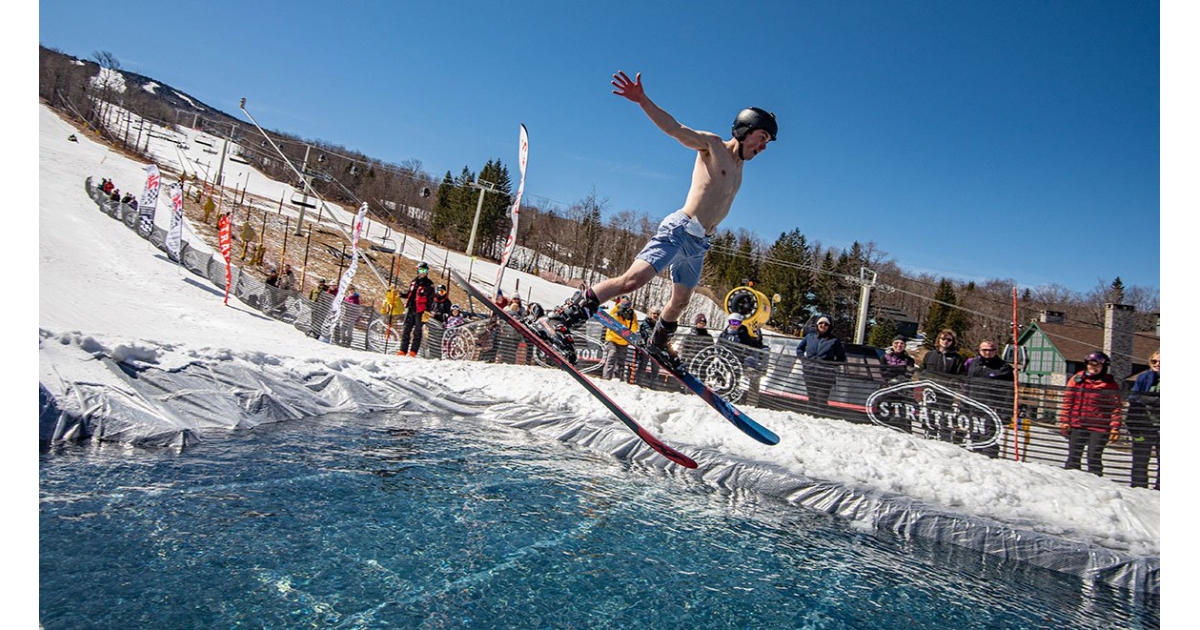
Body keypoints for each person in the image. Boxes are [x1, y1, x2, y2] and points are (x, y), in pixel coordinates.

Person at [532, 70, 777, 366]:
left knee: (681, 301)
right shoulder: (712, 146)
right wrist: (642, 100)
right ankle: (560, 318)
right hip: (679, 230)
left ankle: (658, 340)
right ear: (744, 128)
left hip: (700, 244)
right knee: (632, 281)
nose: (763, 147)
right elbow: (675, 129)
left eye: (767, 143)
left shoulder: (740, 168)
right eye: (762, 138)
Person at [1058, 350, 1122, 477]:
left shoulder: (1109, 384)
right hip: (1078, 423)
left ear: (1103, 367)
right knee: (1074, 456)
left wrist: (1115, 427)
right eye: (1091, 364)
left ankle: (1096, 484)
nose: (1094, 368)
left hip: (1099, 426)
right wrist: (1065, 421)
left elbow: (1115, 407)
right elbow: (1068, 401)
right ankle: (1071, 483)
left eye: (1098, 365)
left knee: (1094, 457)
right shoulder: (1077, 380)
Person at [963, 340, 1014, 458]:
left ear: (996, 351)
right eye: (984, 350)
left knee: (989, 441)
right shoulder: (974, 364)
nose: (987, 353)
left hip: (991, 410)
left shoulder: (1004, 368)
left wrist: (1006, 412)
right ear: (979, 350)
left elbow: (1009, 392)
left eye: (991, 350)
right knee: (974, 437)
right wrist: (963, 405)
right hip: (974, 407)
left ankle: (991, 464)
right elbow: (967, 385)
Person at [795, 316, 846, 408]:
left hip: (825, 376)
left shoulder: (834, 341)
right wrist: (804, 360)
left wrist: (830, 367)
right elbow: (799, 349)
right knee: (812, 399)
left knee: (821, 400)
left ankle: (822, 418)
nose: (823, 325)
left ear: (829, 327)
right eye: (821, 323)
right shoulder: (810, 337)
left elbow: (841, 358)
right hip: (809, 373)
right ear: (817, 325)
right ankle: (810, 418)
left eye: (826, 324)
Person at [1127, 350, 1160, 489]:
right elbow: (1133, 397)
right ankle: (1138, 490)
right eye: (1154, 361)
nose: (1158, 364)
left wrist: (1150, 399)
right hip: (1143, 425)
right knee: (1140, 461)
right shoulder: (1143, 377)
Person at [397, 261, 435, 357]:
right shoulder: (414, 281)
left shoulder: (429, 284)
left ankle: (413, 351)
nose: (422, 272)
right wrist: (400, 294)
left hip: (421, 311)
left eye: (424, 270)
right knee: (406, 329)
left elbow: (430, 300)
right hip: (411, 308)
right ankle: (402, 350)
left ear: (427, 272)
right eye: (420, 270)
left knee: (417, 331)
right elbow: (409, 294)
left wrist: (427, 311)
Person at [601, 297, 638, 380]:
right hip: (612, 339)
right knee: (612, 356)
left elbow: (634, 329)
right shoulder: (615, 309)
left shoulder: (632, 313)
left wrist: (629, 319)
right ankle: (606, 377)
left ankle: (617, 378)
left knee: (621, 361)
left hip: (623, 341)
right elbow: (610, 323)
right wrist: (618, 314)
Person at [631, 306, 663, 384]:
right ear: (650, 313)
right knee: (643, 364)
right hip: (645, 347)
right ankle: (639, 382)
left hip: (656, 349)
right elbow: (640, 334)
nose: (655, 315)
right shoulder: (645, 323)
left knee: (655, 366)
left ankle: (654, 384)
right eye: (654, 313)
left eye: (657, 314)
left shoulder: (660, 324)